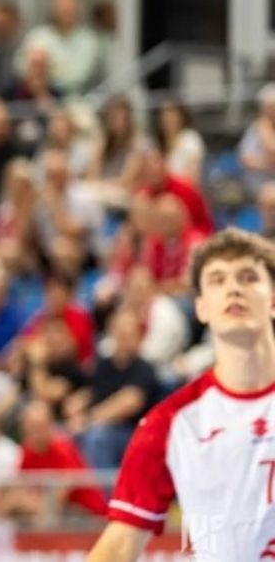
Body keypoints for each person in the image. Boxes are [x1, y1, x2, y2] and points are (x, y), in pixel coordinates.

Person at [88, 228, 275, 561]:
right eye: (218, 280)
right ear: (201, 308)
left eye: (248, 277)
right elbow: (118, 546)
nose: (234, 288)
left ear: (273, 299)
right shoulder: (171, 424)